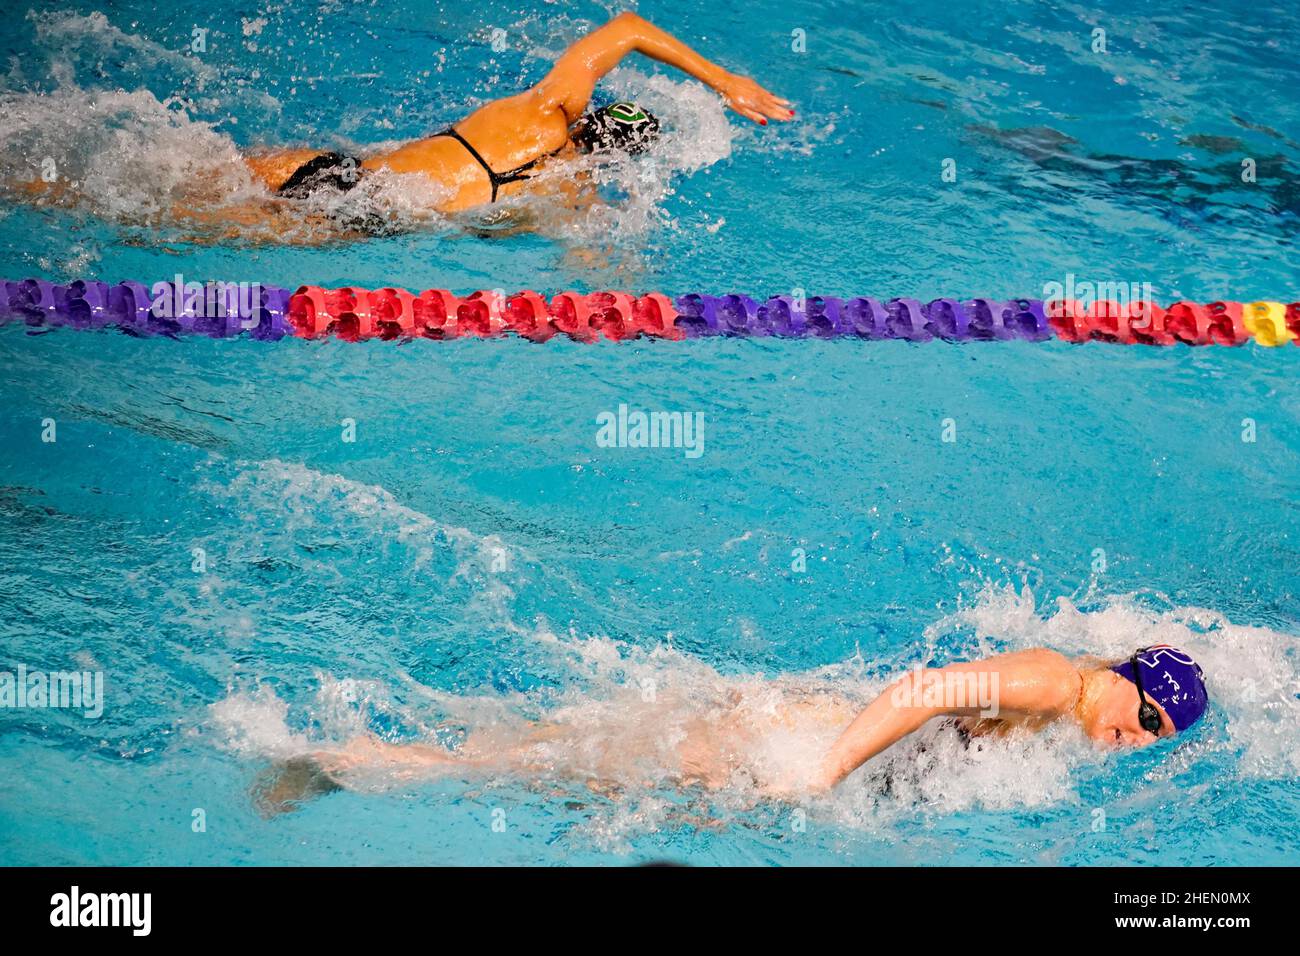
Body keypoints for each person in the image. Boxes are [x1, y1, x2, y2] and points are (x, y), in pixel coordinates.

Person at [252, 644, 1208, 813]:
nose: (1146, 737)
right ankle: (338, 762)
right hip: (780, 748)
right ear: (1125, 680)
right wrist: (826, 774)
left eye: (1162, 736)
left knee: (559, 768)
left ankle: (357, 763)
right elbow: (921, 692)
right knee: (539, 771)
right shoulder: (1051, 685)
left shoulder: (1077, 704)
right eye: (1151, 715)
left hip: (793, 753)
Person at [242, 11, 794, 214]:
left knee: (189, 183)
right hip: (358, 218)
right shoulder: (569, 195)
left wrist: (725, 81)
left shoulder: (544, 108)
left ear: (588, 119)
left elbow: (627, 27)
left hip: (344, 171)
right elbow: (593, 275)